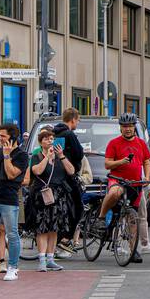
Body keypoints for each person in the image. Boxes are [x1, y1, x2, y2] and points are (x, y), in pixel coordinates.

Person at [99, 113, 150, 264]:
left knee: (133, 218)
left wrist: (147, 178)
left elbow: (147, 161)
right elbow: (107, 164)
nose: (128, 129)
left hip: (136, 184)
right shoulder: (114, 143)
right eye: (124, 126)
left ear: (134, 126)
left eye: (130, 126)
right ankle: (101, 217)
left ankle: (133, 250)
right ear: (120, 128)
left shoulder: (141, 143)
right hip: (118, 180)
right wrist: (121, 161)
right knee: (115, 192)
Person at [28, 127, 76, 271]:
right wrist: (47, 158)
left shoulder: (60, 155)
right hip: (42, 195)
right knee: (42, 228)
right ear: (41, 142)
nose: (49, 141)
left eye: (51, 139)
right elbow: (36, 171)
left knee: (54, 228)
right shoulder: (37, 156)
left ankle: (50, 258)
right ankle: (41, 259)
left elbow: (71, 171)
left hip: (58, 195)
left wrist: (61, 156)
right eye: (46, 139)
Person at [0, 123, 28, 281]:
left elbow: (12, 174)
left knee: (12, 234)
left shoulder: (21, 155)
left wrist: (7, 156)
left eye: (3, 136)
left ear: (12, 138)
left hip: (8, 198)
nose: (0, 139)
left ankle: (13, 267)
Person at [53, 108, 86, 255]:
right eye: (77, 120)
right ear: (73, 120)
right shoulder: (69, 134)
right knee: (77, 208)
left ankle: (56, 241)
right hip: (68, 176)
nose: (77, 123)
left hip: (55, 177)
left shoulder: (54, 133)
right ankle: (64, 239)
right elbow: (79, 154)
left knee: (60, 210)